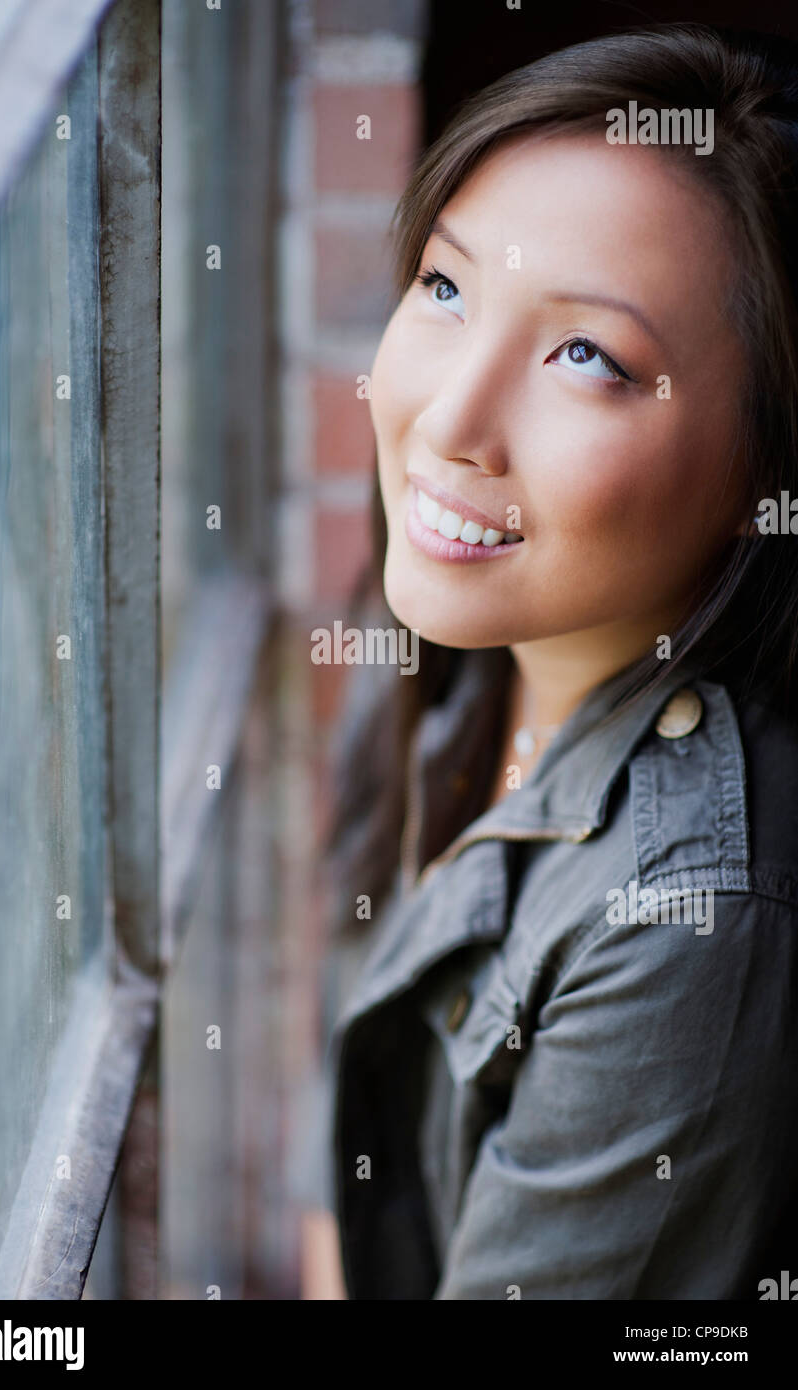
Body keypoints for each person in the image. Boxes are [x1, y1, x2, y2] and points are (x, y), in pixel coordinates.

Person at [297, 21, 798, 1300]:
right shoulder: (465, 639)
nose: (449, 422)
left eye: (587, 357)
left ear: (761, 469)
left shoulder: (689, 915)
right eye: (446, 288)